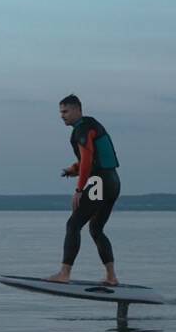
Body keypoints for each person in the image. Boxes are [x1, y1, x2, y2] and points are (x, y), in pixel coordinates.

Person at [46, 95, 121, 286]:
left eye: (65, 111)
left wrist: (79, 189)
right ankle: (111, 277)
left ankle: (64, 273)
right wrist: (74, 169)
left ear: (78, 110)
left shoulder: (81, 129)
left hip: (99, 181)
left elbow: (88, 159)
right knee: (96, 229)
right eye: (60, 112)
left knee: (73, 224)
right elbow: (93, 158)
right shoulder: (91, 124)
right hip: (113, 181)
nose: (62, 116)